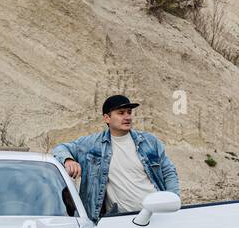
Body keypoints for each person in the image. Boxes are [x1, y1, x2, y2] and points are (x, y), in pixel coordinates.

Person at [50, 94, 180, 221]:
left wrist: (172, 201)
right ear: (107, 118)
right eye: (121, 113)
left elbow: (168, 171)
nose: (127, 117)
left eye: (129, 112)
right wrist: (68, 160)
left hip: (156, 216)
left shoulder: (150, 141)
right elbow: (60, 149)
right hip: (118, 221)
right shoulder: (92, 145)